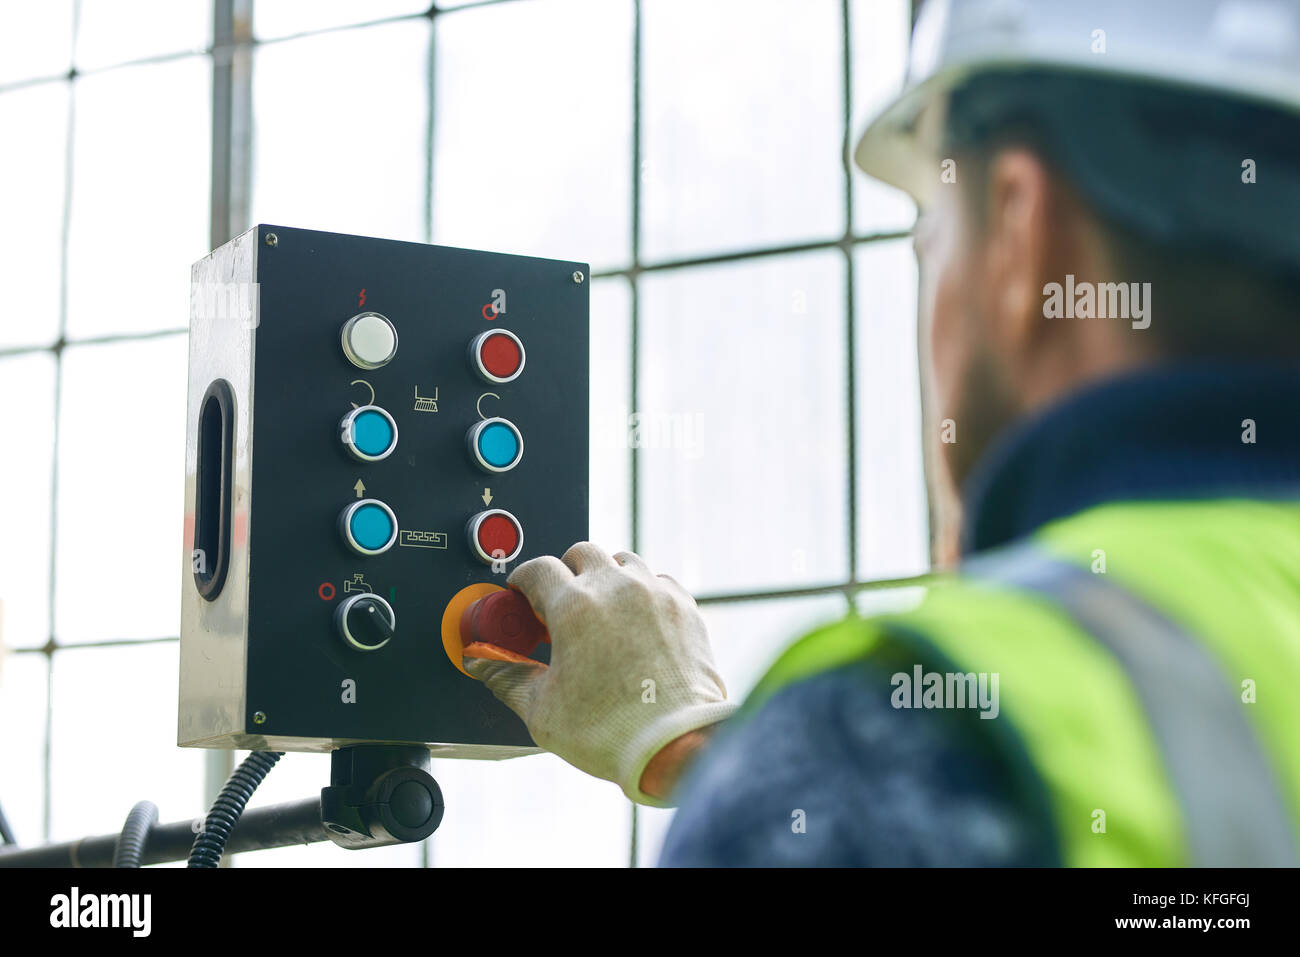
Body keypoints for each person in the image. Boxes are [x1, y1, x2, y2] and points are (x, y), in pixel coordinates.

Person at [465, 0, 1300, 865]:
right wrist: (699, 748)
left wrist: (767, 777)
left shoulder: (891, 742)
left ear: (1020, 232)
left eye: (931, 229)